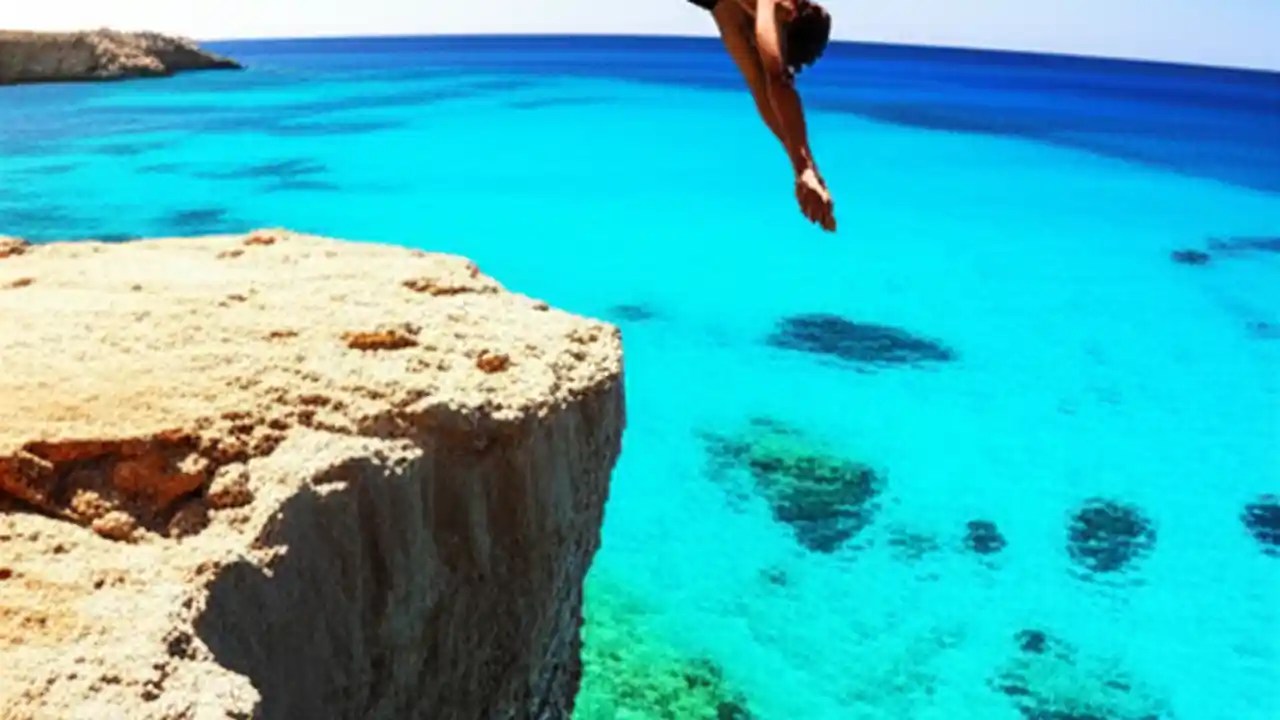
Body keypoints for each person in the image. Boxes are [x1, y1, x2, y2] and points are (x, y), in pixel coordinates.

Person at [688, 0, 836, 232]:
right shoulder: (747, 12)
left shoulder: (733, 13)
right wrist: (804, 168)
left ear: (791, 15)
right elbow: (773, 82)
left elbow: (766, 88)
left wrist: (806, 171)